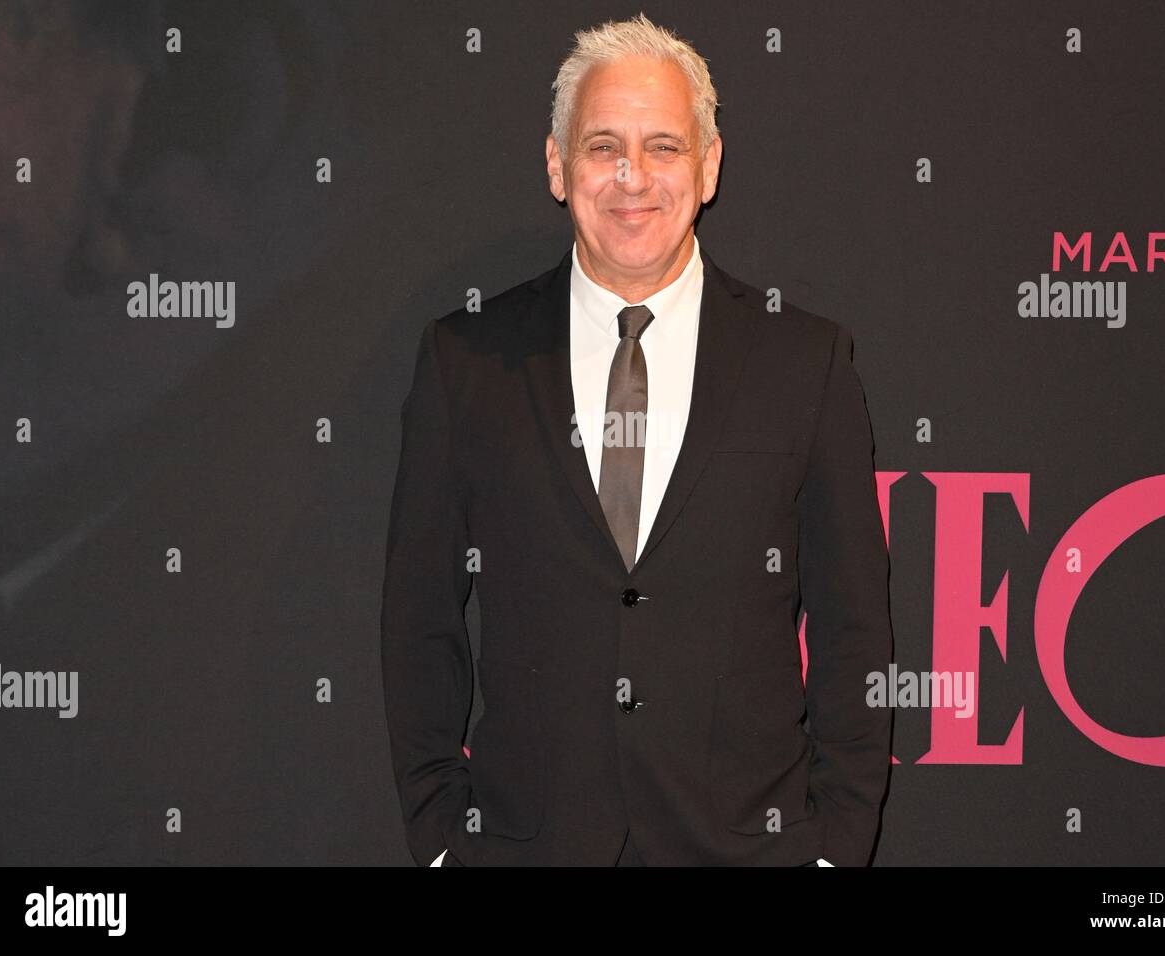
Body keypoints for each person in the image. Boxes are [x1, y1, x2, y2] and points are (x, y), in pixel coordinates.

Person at [381, 13, 894, 867]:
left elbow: (855, 632)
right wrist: (440, 840)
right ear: (557, 166)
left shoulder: (805, 362)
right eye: (601, 146)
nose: (632, 177)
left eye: (663, 146)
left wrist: (834, 848)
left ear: (709, 165)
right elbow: (417, 620)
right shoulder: (465, 360)